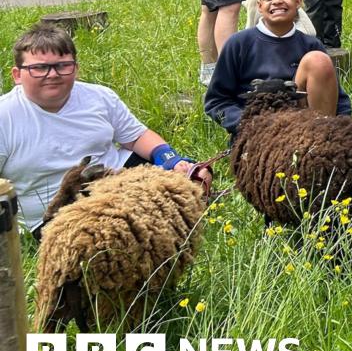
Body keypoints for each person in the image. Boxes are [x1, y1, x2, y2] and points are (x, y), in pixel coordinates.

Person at [0, 23, 209, 236]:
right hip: (56, 212)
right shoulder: (4, 116)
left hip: (115, 178)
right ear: (17, 75)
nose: (53, 74)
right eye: (40, 68)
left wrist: (170, 159)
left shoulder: (99, 96)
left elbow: (137, 137)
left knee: (196, 177)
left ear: (76, 69)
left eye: (63, 65)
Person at [204, 0, 351, 135]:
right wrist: (247, 123)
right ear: (259, 6)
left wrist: (344, 130)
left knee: (318, 60)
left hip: (305, 128)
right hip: (257, 131)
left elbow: (338, 99)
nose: (277, 1)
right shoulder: (238, 43)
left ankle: (321, 143)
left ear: (298, 3)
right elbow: (216, 100)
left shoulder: (311, 45)